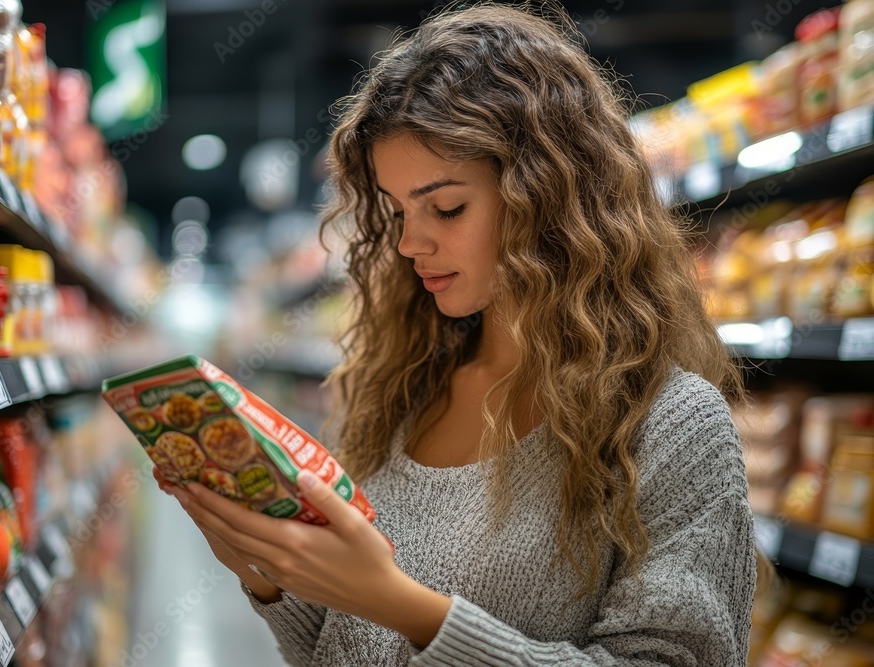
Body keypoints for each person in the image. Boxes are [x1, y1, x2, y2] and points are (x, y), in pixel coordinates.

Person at [157, 3, 759, 665]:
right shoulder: (401, 389)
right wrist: (265, 568)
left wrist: (402, 606)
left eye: (447, 207)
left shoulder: (673, 425)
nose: (411, 243)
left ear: (548, 192)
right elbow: (343, 645)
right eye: (397, 211)